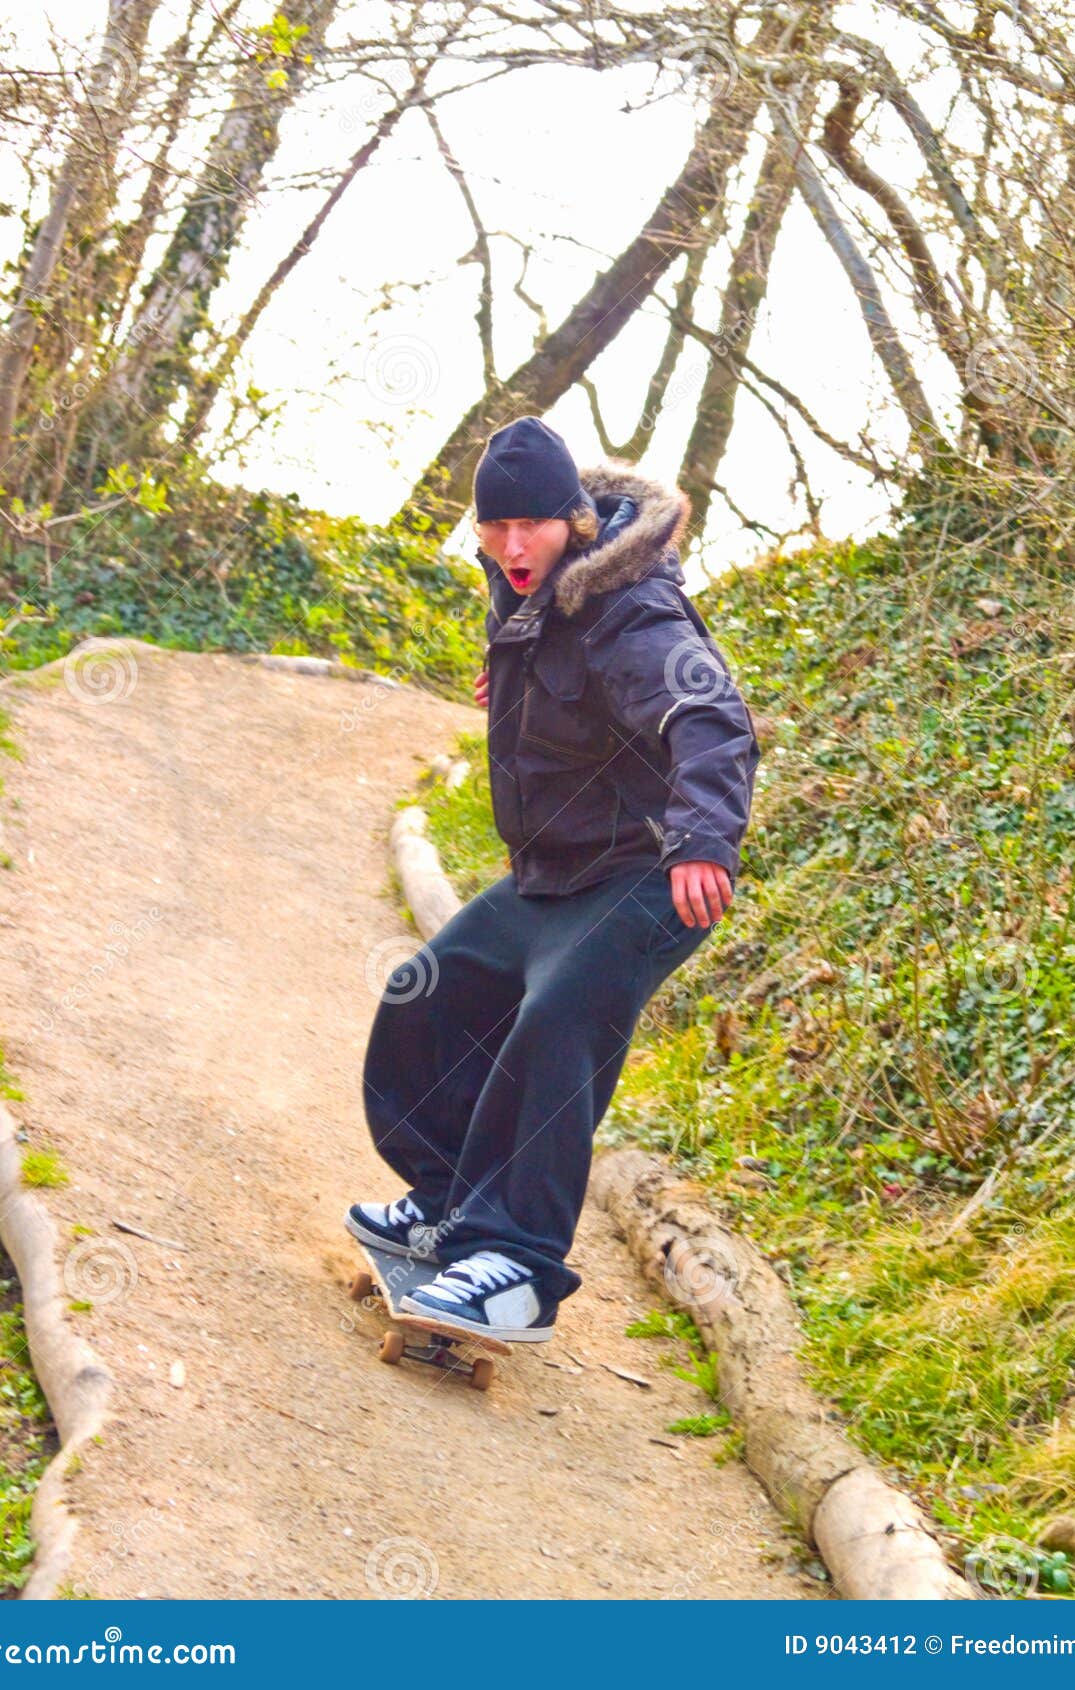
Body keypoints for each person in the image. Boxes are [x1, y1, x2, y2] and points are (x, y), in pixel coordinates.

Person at [346, 416, 759, 1342]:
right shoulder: (520, 593)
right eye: (496, 529)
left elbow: (712, 716)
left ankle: (518, 1263)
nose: (512, 544)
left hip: (651, 873)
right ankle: (454, 1205)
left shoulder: (633, 607)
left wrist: (703, 839)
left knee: (556, 1020)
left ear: (575, 518)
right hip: (556, 871)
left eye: (531, 525)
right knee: (429, 997)